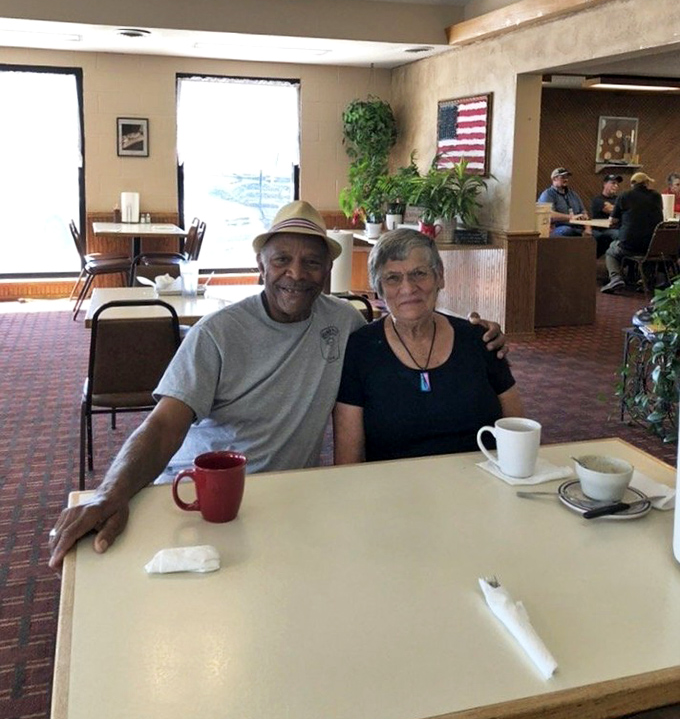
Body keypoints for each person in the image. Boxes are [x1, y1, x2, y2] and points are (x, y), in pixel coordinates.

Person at [49, 201, 507, 571]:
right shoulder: (218, 333)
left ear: (328, 269)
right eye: (282, 260)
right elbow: (165, 424)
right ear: (260, 265)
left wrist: (477, 333)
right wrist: (113, 491)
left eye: (311, 262)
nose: (297, 273)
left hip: (289, 502)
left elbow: (405, 332)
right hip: (199, 495)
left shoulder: (345, 323)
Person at [333, 228, 522, 464]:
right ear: (379, 288)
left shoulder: (481, 340)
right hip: (395, 491)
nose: (408, 288)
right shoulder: (360, 350)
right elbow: (348, 460)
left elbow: (518, 432)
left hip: (480, 484)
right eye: (393, 278)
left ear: (439, 277)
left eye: (419, 274)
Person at [601, 172, 664, 293]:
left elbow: (613, 220)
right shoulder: (656, 196)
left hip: (629, 245)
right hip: (652, 247)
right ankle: (645, 278)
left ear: (632, 184)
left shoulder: (624, 195)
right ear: (646, 183)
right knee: (647, 245)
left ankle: (615, 278)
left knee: (611, 251)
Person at [538, 167, 588, 236]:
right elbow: (549, 215)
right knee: (567, 231)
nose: (566, 179)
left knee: (597, 235)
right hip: (558, 227)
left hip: (578, 226)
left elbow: (583, 212)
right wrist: (571, 217)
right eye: (563, 177)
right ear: (554, 179)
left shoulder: (573, 194)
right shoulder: (548, 194)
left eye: (567, 177)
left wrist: (588, 228)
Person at [590, 174, 621, 257]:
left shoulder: (619, 199)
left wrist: (615, 209)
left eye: (617, 184)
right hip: (603, 229)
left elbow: (623, 210)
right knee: (619, 235)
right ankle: (613, 259)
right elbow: (610, 210)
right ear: (604, 184)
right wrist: (618, 209)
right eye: (613, 183)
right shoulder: (597, 200)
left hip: (618, 227)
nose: (616, 186)